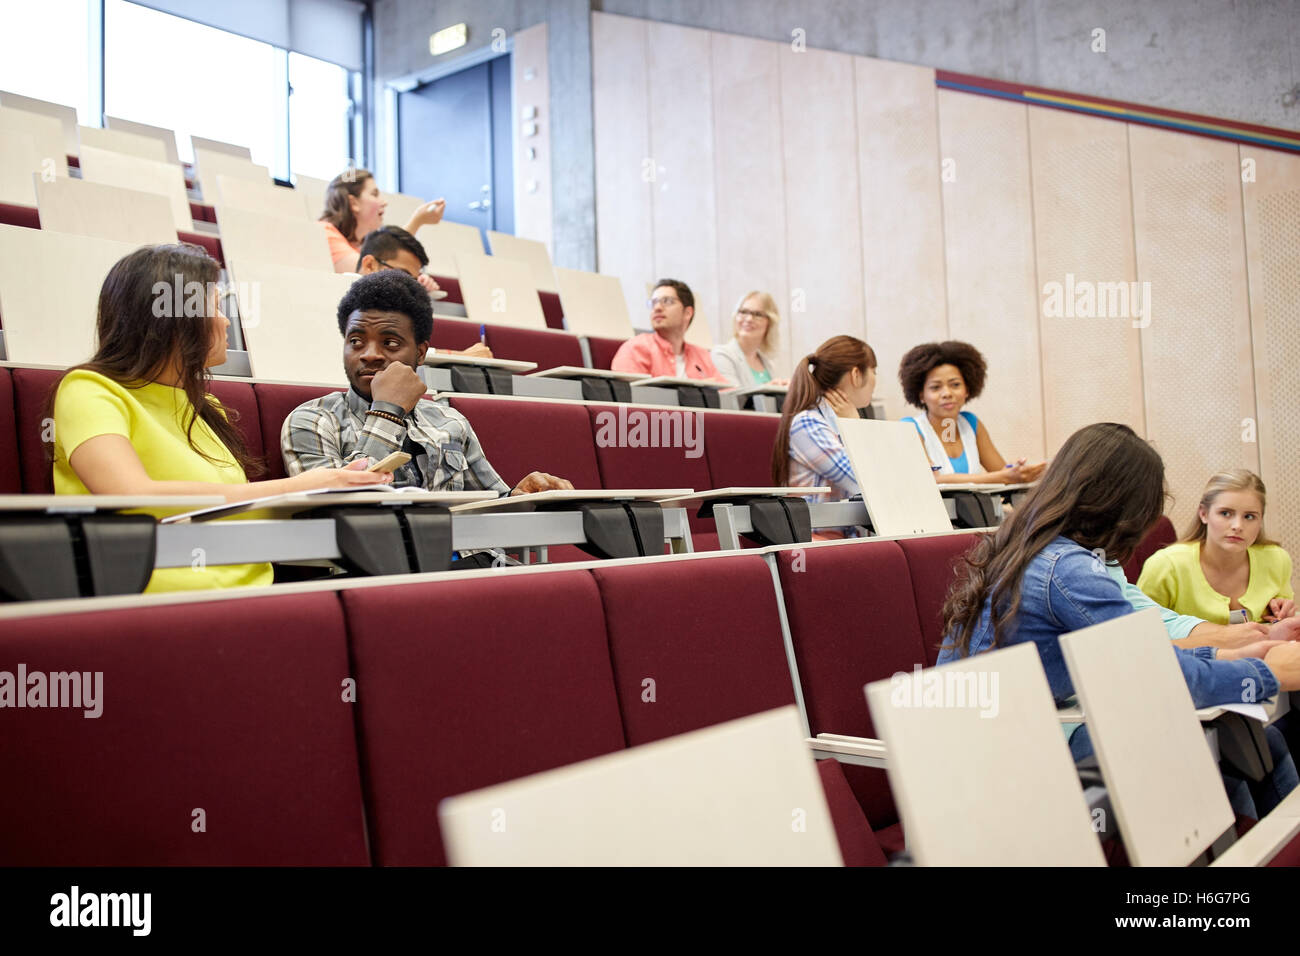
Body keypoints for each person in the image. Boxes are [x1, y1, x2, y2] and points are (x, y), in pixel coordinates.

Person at [938, 423, 1300, 818]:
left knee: (1257, 751)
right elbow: (1151, 670)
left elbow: (1139, 647)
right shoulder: (1066, 568)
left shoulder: (1035, 543)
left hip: (1019, 728)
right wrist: (1265, 672)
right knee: (1216, 770)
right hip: (1005, 754)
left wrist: (1230, 655)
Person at [50, 243, 391, 593]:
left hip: (252, 593)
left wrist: (334, 487)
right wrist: (302, 485)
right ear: (173, 320)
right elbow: (130, 495)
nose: (227, 320)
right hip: (156, 602)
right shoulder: (87, 389)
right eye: (215, 307)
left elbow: (233, 508)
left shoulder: (204, 406)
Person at [281, 270, 571, 499]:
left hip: (467, 562)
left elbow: (491, 502)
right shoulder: (312, 421)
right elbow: (334, 509)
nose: (369, 354)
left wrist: (520, 494)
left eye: (390, 342)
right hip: (377, 571)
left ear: (420, 353)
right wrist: (387, 412)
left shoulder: (450, 420)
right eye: (355, 341)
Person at [1138, 470, 1296, 626]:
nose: (1237, 526)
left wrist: (1284, 616)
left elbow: (1282, 622)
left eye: (1249, 516)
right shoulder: (1165, 565)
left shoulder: (1277, 559)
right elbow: (1143, 636)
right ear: (1204, 514)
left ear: (1260, 520)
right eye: (1226, 513)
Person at [770, 336, 877, 539]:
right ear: (856, 375)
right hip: (818, 543)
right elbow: (866, 482)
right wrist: (854, 426)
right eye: (874, 371)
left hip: (848, 539)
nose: (875, 379)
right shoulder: (808, 423)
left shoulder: (835, 420)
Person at [897, 340, 1045, 485]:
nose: (947, 393)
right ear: (921, 395)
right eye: (936, 387)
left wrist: (1014, 470)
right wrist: (1004, 477)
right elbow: (931, 480)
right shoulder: (909, 427)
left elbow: (1000, 472)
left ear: (967, 389)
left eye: (955, 385)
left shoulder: (971, 423)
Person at [354, 225, 492, 359]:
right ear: (369, 265)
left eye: (413, 279)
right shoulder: (347, 295)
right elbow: (389, 353)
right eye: (403, 274)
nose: (408, 286)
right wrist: (460, 356)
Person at [318, 166, 445, 274]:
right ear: (353, 202)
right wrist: (417, 221)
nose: (384, 202)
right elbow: (367, 273)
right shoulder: (325, 233)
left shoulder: (362, 245)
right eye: (374, 194)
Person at [610, 279, 723, 380]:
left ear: (688, 313)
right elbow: (631, 398)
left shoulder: (703, 356)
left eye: (667, 301)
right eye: (653, 303)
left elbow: (727, 395)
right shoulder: (635, 348)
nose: (657, 308)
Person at [710, 291, 787, 388]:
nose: (749, 319)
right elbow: (730, 398)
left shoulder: (768, 363)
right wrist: (766, 389)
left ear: (769, 322)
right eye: (743, 312)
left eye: (758, 314)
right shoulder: (722, 355)